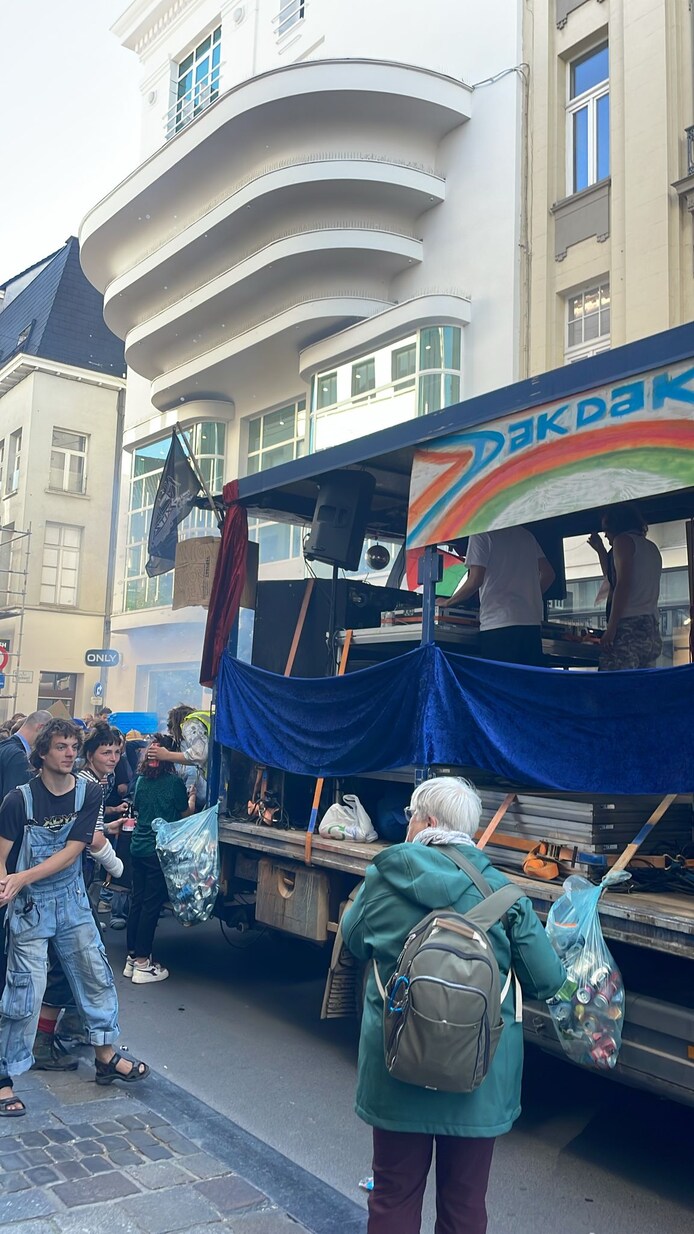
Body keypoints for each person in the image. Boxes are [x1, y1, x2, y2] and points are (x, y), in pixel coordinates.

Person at [342, 776, 565, 1234]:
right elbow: (546, 981)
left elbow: (351, 938)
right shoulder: (504, 894)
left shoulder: (382, 879)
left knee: (393, 1196)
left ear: (425, 820)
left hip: (396, 1062)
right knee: (464, 1205)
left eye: (409, 816)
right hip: (478, 1075)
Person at [0, 718, 149, 1116]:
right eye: (61, 746)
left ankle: (105, 1057)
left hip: (70, 900)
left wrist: (21, 877)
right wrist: (6, 885)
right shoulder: (19, 800)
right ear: (42, 753)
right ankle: (3, 1077)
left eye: (73, 746)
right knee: (24, 992)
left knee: (95, 976)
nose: (69, 753)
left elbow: (74, 849)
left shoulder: (89, 792)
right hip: (29, 906)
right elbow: (1, 855)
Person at [124, 735, 195, 985]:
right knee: (151, 906)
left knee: (137, 900)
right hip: (157, 850)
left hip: (137, 846)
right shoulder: (175, 782)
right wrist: (192, 800)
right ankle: (144, 962)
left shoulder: (141, 780)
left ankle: (132, 958)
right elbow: (184, 813)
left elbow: (140, 807)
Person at [439, 527, 555, 666]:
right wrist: (529, 595)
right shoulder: (526, 535)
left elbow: (475, 580)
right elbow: (549, 574)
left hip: (499, 624)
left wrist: (448, 603)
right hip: (531, 625)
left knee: (501, 682)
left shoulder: (481, 533)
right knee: (526, 683)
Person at [596, 504, 663, 671]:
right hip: (651, 628)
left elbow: (623, 584)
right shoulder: (652, 547)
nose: (605, 534)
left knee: (614, 687)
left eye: (607, 528)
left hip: (628, 628)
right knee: (641, 688)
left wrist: (611, 629)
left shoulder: (623, 541)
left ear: (617, 526)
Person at [149, 704, 210, 806]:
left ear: (174, 725)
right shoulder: (204, 718)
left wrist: (167, 755)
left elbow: (199, 755)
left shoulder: (190, 723)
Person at [0, 711, 52, 803]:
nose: (48, 740)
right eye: (48, 734)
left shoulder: (5, 746)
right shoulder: (18, 756)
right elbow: (16, 801)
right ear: (40, 727)